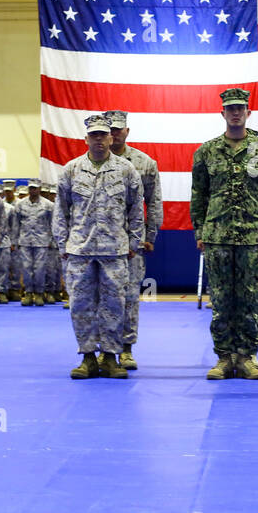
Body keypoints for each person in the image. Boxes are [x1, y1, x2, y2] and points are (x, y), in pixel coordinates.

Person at [190, 88, 258, 380]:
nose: (236, 112)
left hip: (254, 237)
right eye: (231, 108)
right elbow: (199, 194)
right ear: (223, 113)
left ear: (248, 113)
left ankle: (249, 356)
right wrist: (199, 230)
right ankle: (225, 358)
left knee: (253, 300)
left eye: (241, 108)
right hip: (218, 236)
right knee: (222, 301)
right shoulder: (206, 151)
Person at [54, 114, 144, 380]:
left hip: (115, 250)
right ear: (86, 138)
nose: (99, 140)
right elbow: (61, 210)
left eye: (103, 135)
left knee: (114, 305)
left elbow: (136, 209)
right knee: (81, 305)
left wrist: (134, 242)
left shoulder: (126, 170)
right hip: (80, 250)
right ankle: (88, 357)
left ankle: (110, 357)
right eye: (94, 135)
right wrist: (63, 244)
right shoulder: (71, 170)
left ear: (111, 137)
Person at [105, 110, 164, 370]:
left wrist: (150, 236)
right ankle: (104, 349)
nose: (115, 133)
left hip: (131, 243)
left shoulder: (144, 163)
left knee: (129, 297)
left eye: (119, 129)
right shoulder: (90, 162)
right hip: (99, 243)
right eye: (111, 129)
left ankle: (126, 349)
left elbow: (154, 201)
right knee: (101, 298)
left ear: (127, 131)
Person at [13, 180, 54, 306]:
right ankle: (29, 293)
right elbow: (16, 224)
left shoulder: (48, 205)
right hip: (25, 241)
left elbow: (53, 224)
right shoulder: (20, 205)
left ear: (40, 189)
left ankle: (39, 293)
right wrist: (15, 241)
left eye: (35, 188)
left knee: (40, 269)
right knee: (26, 268)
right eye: (31, 188)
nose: (33, 191)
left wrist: (51, 240)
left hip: (41, 242)